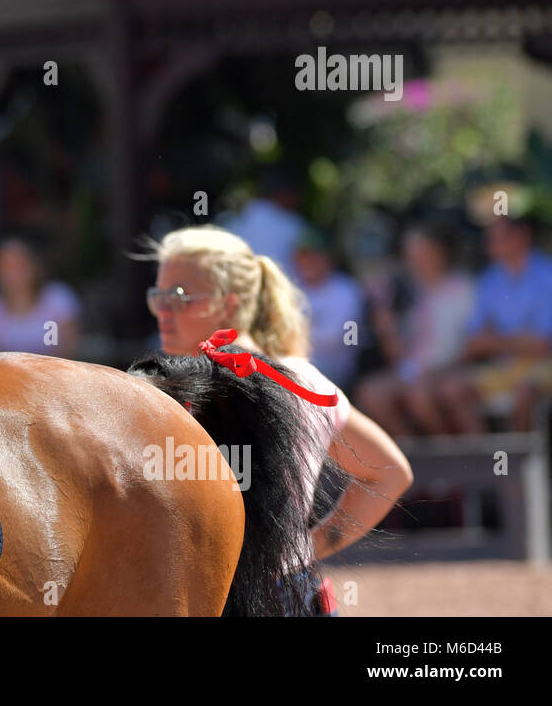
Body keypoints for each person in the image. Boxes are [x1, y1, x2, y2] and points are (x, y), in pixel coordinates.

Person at [144, 225, 413, 613]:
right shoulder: (301, 376)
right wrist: (306, 550)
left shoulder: (189, 386)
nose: (163, 311)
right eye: (158, 296)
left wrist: (307, 547)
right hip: (292, 594)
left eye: (179, 297)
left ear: (228, 303)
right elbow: (390, 472)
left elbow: (390, 472)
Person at [425, 214, 552, 433]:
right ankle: (486, 461)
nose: (490, 244)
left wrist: (494, 341)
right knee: (451, 389)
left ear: (522, 236)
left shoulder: (546, 276)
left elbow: (541, 346)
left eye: (497, 238)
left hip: (541, 369)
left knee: (526, 392)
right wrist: (515, 342)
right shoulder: (488, 280)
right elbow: (474, 343)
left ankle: (518, 463)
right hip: (502, 369)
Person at [357, 221, 476, 436]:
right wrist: (386, 325)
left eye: (419, 250)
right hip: (412, 373)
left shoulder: (463, 289)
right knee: (370, 394)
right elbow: (397, 356)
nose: (412, 258)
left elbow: (473, 343)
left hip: (450, 369)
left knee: (419, 395)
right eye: (410, 251)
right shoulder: (405, 292)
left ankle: (449, 453)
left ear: (439, 252)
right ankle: (409, 455)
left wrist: (440, 370)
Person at [0, 236, 81, 357]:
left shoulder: (58, 298)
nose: (13, 273)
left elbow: (70, 353)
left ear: (34, 266)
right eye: (6, 266)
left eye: (19, 264)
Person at [291, 227, 364, 388]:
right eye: (304, 255)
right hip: (295, 364)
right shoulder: (292, 288)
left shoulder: (347, 290)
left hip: (334, 370)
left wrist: (294, 332)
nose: (309, 261)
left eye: (316, 255)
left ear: (329, 258)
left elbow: (344, 338)